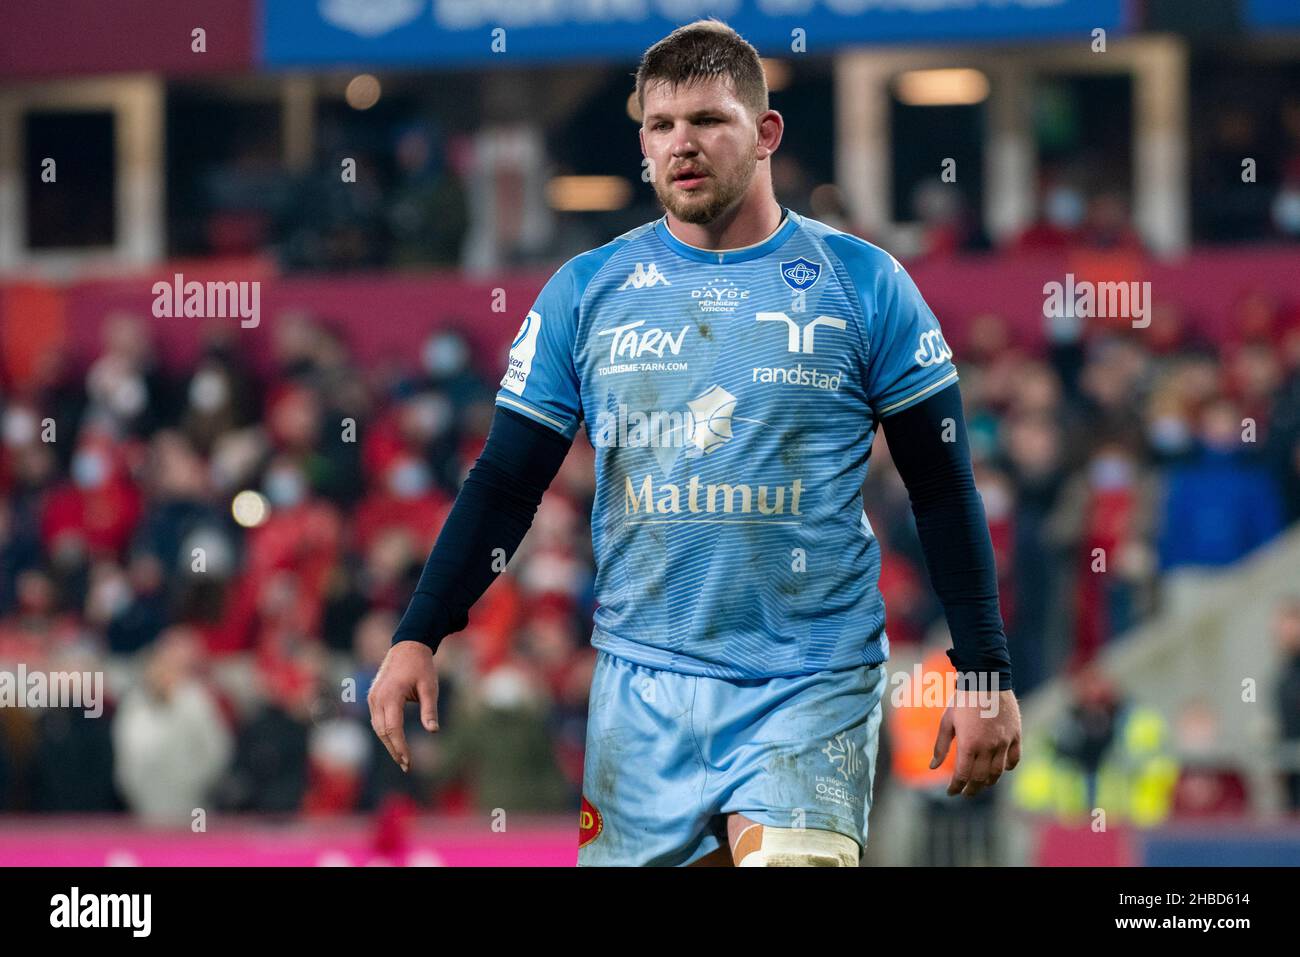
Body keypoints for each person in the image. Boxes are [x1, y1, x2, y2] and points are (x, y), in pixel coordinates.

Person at [368, 18, 1020, 867]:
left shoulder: (864, 285)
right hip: (643, 689)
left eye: (709, 120)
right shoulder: (586, 292)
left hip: (810, 679)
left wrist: (983, 670)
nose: (682, 144)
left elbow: (941, 485)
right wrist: (419, 632)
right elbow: (503, 484)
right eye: (661, 125)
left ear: (765, 133)